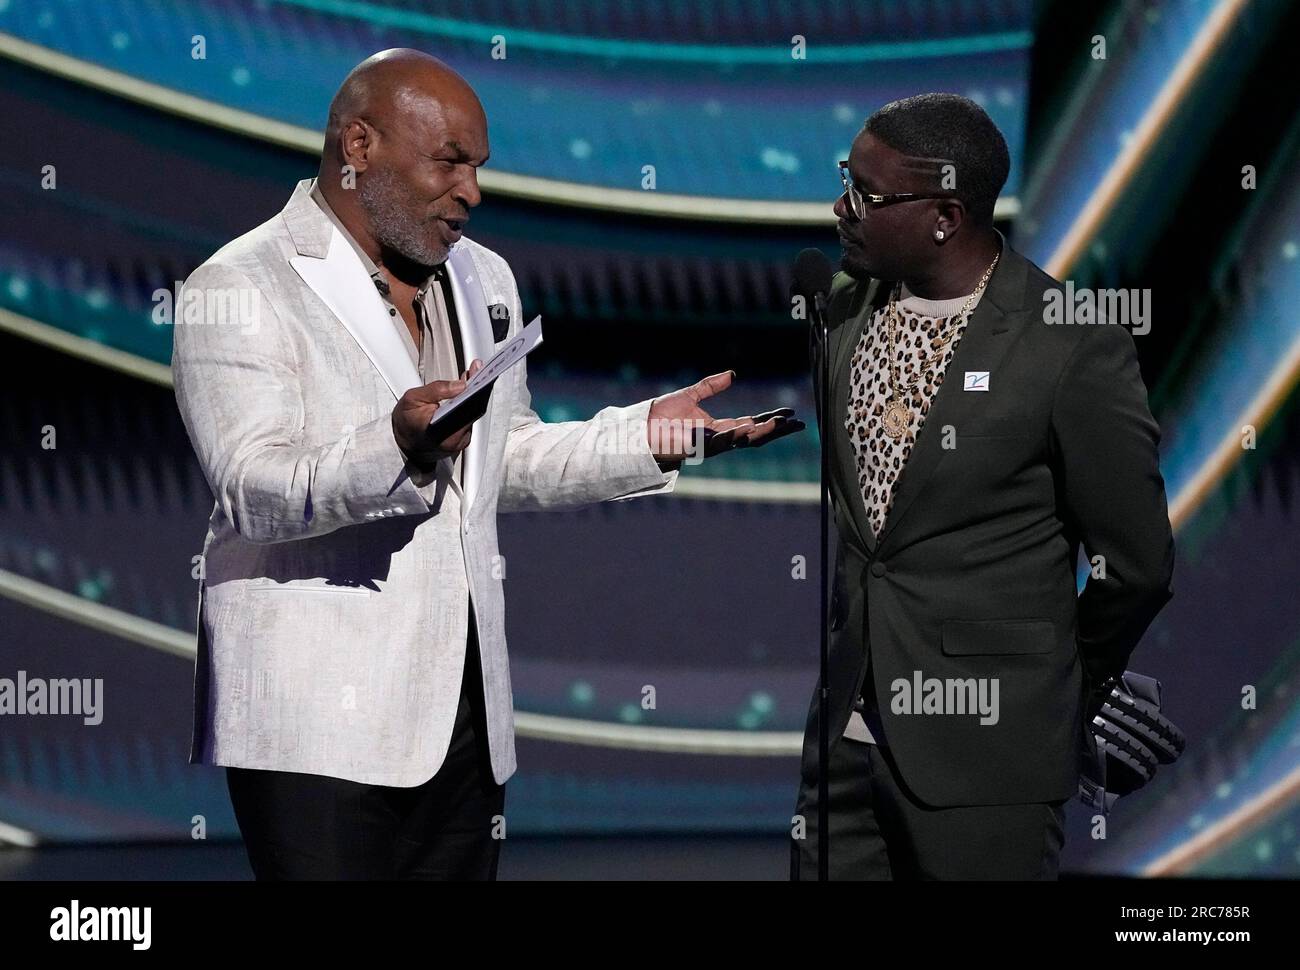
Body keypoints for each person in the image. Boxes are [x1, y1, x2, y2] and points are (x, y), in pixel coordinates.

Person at [172, 48, 801, 880]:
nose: (472, 191)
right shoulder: (242, 284)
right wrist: (399, 447)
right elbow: (255, 491)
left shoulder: (482, 276)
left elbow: (503, 456)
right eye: (450, 162)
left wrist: (648, 437)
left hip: (463, 716)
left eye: (480, 167)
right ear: (358, 148)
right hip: (315, 721)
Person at [791, 93, 1175, 880]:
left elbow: (1135, 565)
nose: (843, 207)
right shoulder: (841, 308)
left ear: (945, 216)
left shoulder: (1069, 343)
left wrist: (1061, 689)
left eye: (868, 194)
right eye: (846, 180)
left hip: (989, 759)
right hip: (841, 749)